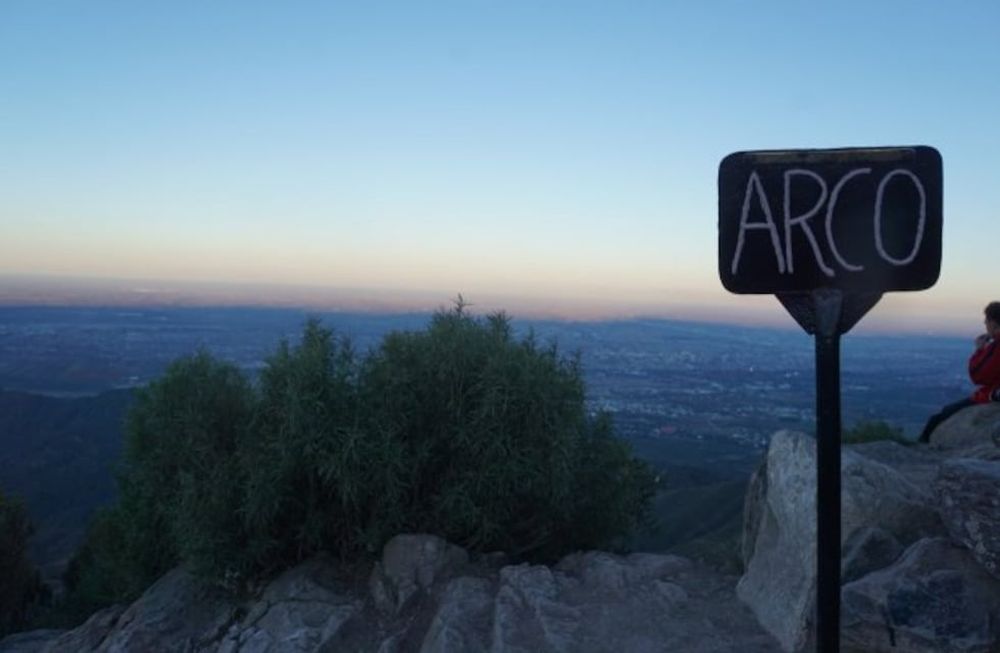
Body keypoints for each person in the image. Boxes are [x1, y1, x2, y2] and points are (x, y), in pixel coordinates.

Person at [918, 301, 1000, 443]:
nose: (985, 325)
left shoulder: (997, 346)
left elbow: (978, 375)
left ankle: (922, 449)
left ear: (993, 323)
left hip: (990, 396)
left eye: (986, 322)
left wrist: (980, 349)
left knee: (938, 418)